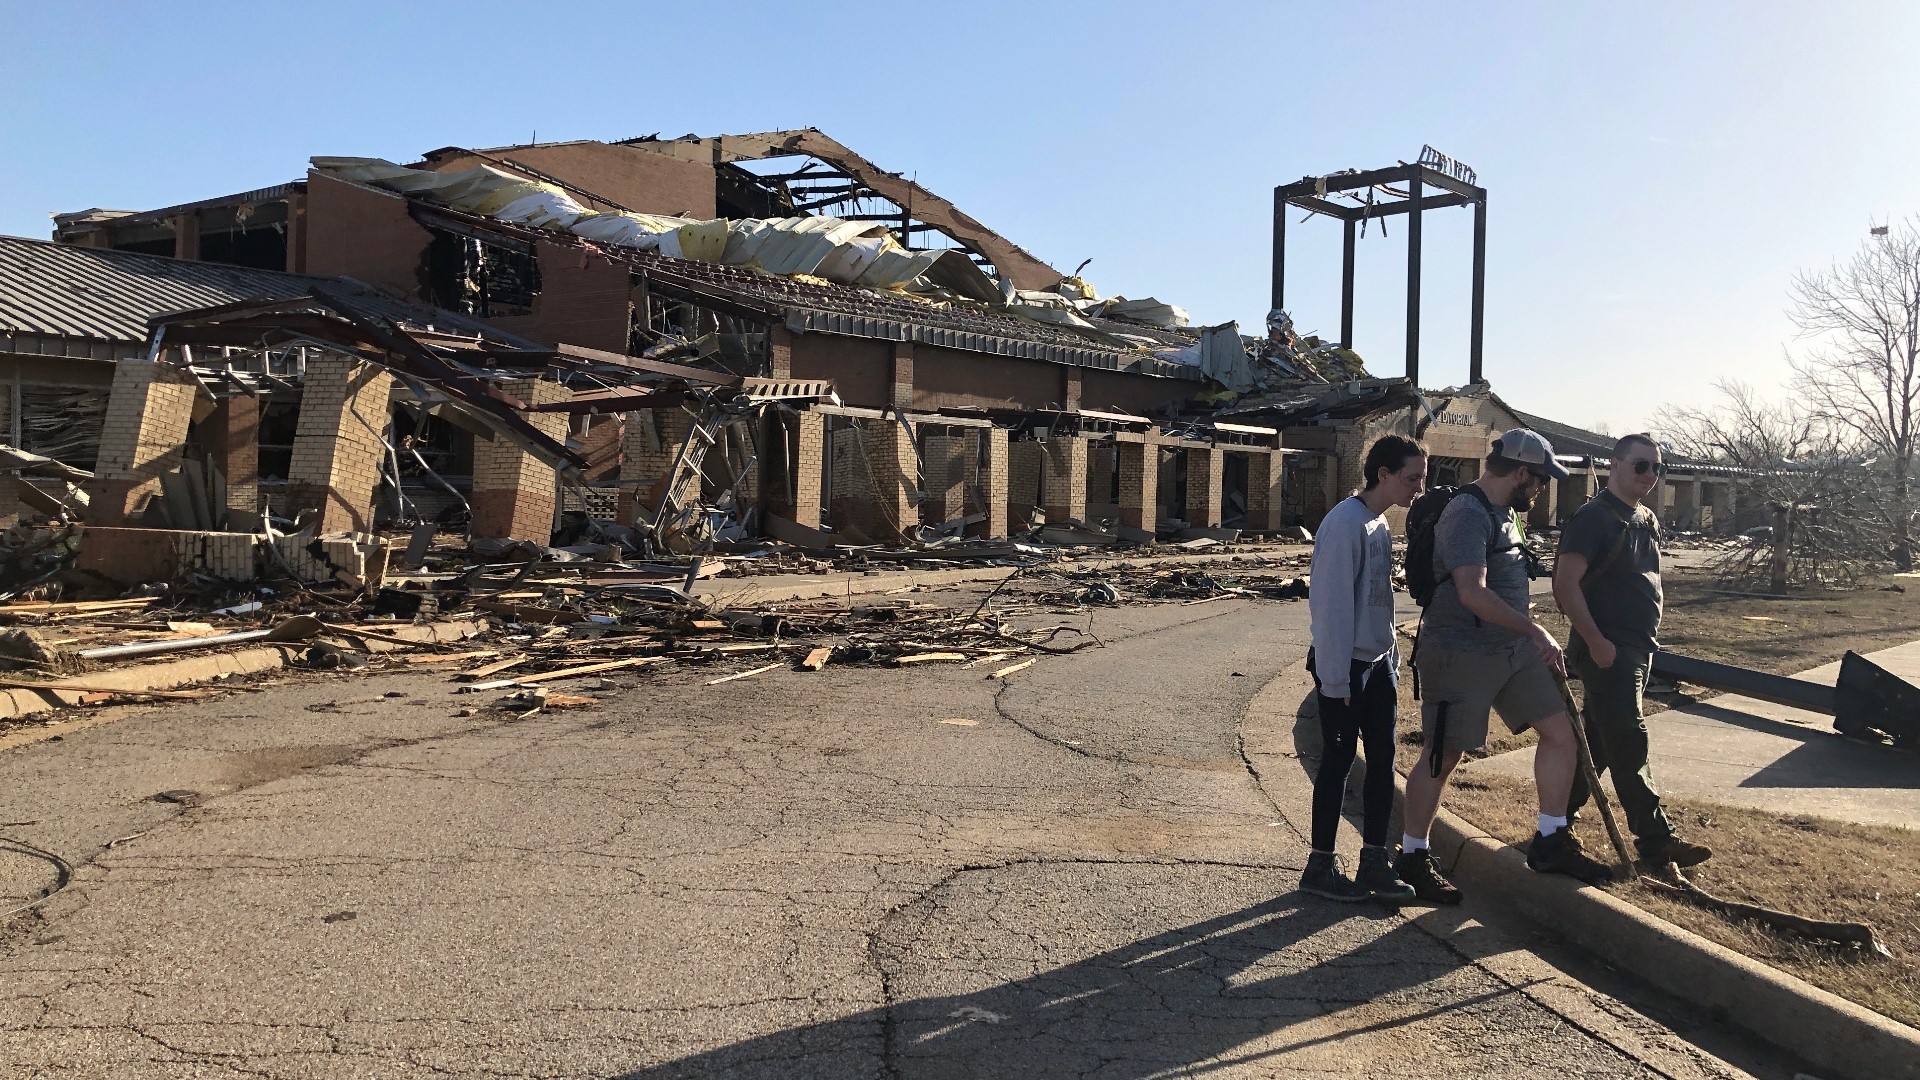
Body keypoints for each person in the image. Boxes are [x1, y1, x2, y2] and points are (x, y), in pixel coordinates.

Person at [1398, 429, 1616, 904]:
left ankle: (1551, 839)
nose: (1541, 488)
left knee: (1562, 732)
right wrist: (1535, 631)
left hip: (1513, 652)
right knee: (1442, 756)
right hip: (1459, 653)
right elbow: (1471, 593)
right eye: (1540, 479)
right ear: (1521, 473)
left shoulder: (1506, 514)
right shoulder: (1467, 514)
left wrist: (1527, 631)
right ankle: (1412, 857)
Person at [1553, 434, 1712, 869]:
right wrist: (1596, 642)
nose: (1650, 475)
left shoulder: (1644, 516)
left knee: (1599, 741)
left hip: (1638, 648)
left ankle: (1556, 821)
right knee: (1629, 739)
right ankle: (1656, 839)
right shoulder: (1593, 518)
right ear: (1615, 465)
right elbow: (1565, 585)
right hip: (1608, 650)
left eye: (1657, 467)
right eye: (1641, 465)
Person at [1301, 435, 1428, 902]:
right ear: (1383, 474)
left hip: (1377, 665)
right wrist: (1335, 679)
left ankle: (1374, 861)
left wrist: (1390, 655)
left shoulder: (1378, 524)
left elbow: (1379, 599)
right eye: (1412, 478)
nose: (1418, 488)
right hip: (1346, 667)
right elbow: (1330, 607)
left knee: (1382, 764)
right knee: (1337, 764)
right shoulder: (1344, 524)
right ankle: (1320, 866)